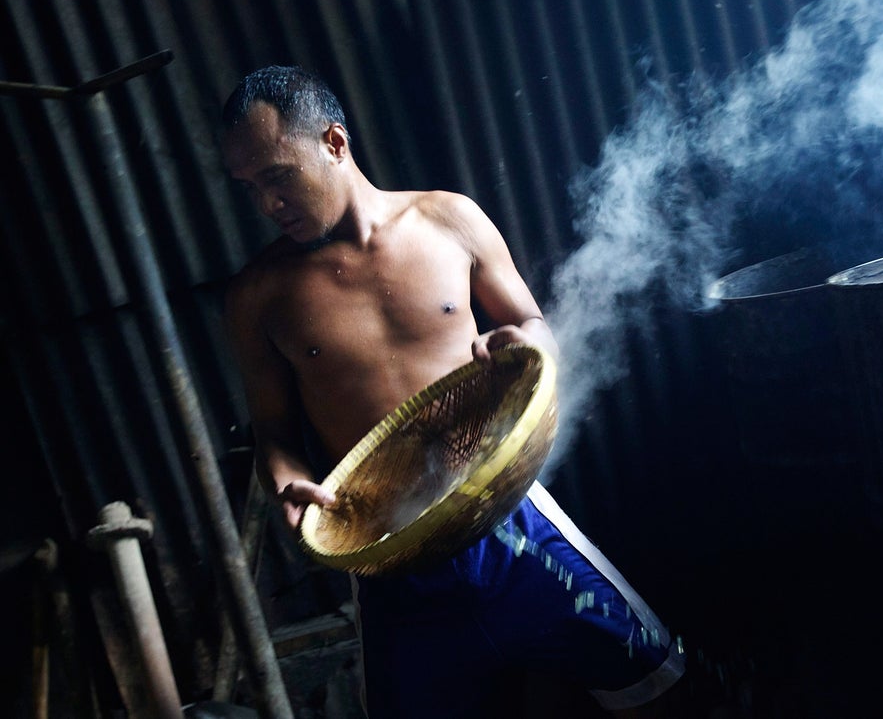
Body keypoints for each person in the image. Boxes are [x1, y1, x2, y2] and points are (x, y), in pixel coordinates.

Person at [219, 65, 685, 717]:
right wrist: (288, 485)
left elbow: (530, 323)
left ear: (333, 142)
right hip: (391, 561)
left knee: (656, 682)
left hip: (512, 518)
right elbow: (273, 431)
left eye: (277, 175)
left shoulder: (448, 218)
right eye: (250, 188)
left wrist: (527, 348)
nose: (268, 204)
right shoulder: (256, 298)